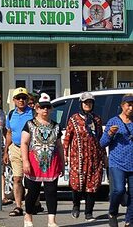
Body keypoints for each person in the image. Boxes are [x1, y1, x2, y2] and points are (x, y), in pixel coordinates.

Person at [21, 93, 64, 227]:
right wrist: (25, 161)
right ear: (37, 108)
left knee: (51, 192)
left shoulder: (56, 126)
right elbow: (24, 143)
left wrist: (62, 162)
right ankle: (28, 216)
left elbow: (59, 145)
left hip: (52, 163)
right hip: (34, 162)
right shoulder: (30, 124)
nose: (45, 109)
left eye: (48, 107)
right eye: (42, 107)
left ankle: (52, 220)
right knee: (33, 192)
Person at [63, 91, 104, 221]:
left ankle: (89, 213)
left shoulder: (96, 119)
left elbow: (100, 138)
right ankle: (76, 205)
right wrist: (65, 155)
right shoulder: (73, 119)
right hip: (78, 157)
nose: (88, 104)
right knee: (77, 184)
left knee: (92, 185)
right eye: (85, 102)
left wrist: (103, 156)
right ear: (81, 103)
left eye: (90, 102)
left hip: (94, 158)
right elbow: (67, 138)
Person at [100, 93, 133, 227]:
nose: (131, 108)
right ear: (122, 106)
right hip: (117, 162)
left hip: (132, 162)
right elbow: (102, 143)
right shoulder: (113, 121)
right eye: (129, 105)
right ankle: (113, 212)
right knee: (118, 190)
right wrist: (110, 133)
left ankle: (129, 220)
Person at [4, 88, 35, 217]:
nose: (21, 100)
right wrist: (5, 151)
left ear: (27, 100)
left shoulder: (33, 113)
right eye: (18, 98)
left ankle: (34, 203)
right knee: (17, 178)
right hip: (16, 148)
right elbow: (9, 133)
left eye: (24, 98)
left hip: (31, 149)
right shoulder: (11, 114)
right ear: (14, 100)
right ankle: (18, 206)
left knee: (32, 179)